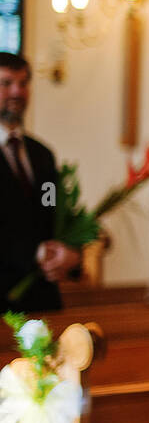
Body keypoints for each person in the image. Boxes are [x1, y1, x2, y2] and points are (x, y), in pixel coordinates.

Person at [0, 52, 82, 312]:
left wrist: (72, 255)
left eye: (23, 84)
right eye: (6, 83)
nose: (17, 91)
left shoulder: (42, 155)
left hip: (42, 303)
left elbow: (54, 214)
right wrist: (32, 254)